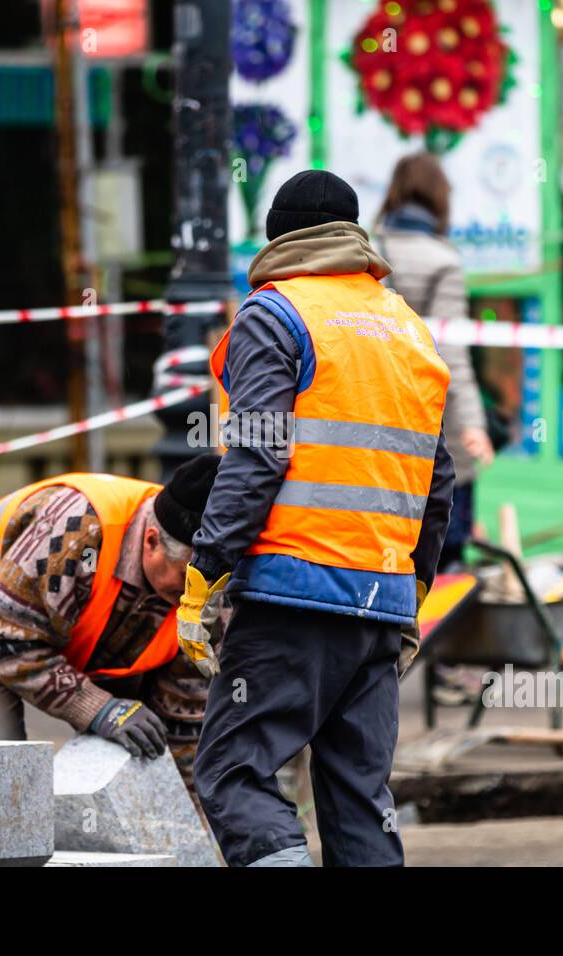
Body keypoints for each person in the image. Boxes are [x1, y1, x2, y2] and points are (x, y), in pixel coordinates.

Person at [176, 169, 456, 866]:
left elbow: (260, 455)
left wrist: (206, 570)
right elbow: (438, 476)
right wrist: (412, 591)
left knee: (235, 768)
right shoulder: (405, 328)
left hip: (292, 595)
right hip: (380, 605)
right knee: (358, 796)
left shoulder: (276, 315)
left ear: (279, 238)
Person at [0, 456, 219, 792]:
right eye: (188, 578)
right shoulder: (79, 532)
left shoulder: (213, 587)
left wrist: (193, 829)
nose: (200, 595)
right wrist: (99, 709)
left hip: (81, 623)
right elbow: (2, 643)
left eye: (214, 582)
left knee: (137, 753)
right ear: (151, 543)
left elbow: (184, 724)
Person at [376, 152, 494, 566]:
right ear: (439, 198)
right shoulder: (443, 261)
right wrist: (475, 426)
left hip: (377, 422)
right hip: (433, 425)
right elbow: (453, 357)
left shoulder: (370, 250)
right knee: (443, 556)